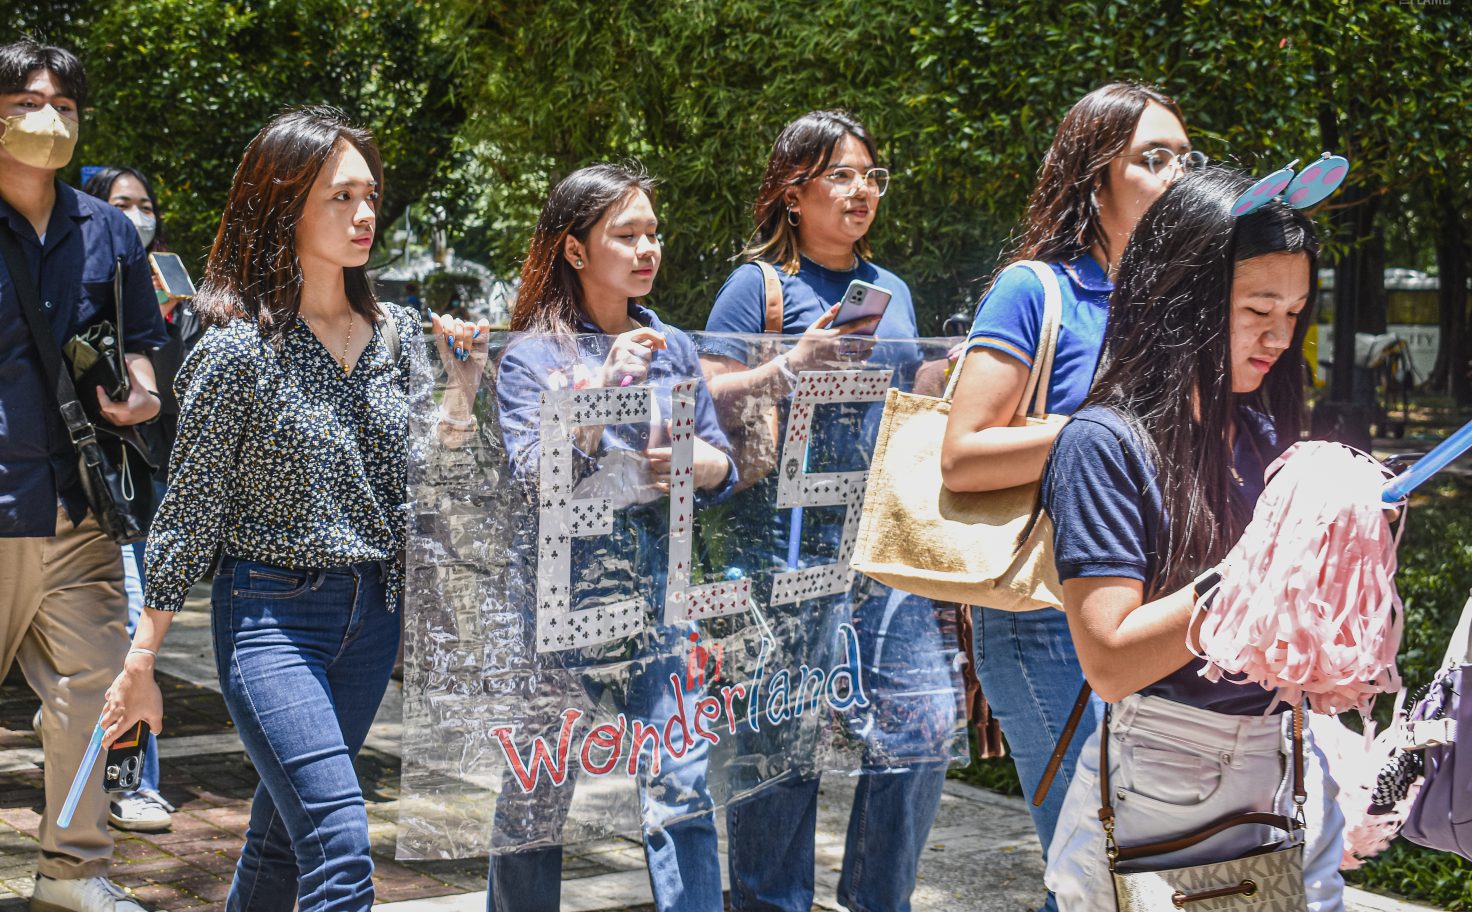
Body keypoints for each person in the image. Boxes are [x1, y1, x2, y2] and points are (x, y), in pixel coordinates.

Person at [97, 106, 485, 912]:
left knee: (280, 847)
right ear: (285, 206)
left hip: (372, 620)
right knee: (342, 854)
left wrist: (460, 395)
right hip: (272, 619)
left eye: (370, 194)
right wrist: (141, 663)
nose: (366, 213)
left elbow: (424, 485)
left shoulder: (402, 334)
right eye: (340, 196)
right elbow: (190, 511)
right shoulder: (237, 349)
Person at [1040, 166, 1346, 910]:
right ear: (1187, 300)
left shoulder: (1256, 430)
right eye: (1256, 309)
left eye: (1296, 311)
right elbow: (1110, 661)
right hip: (1161, 785)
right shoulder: (1103, 445)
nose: (1281, 336)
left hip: (1281, 762)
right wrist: (1259, 562)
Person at [939, 82, 1199, 912]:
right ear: (1096, 182)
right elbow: (964, 454)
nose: (1175, 175)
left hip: (1143, 614)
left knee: (1126, 872)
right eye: (1151, 159)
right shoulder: (1036, 290)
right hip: (1042, 618)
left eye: (1185, 160)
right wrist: (1103, 431)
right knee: (1104, 871)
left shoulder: (1175, 302)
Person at [701, 110, 956, 912]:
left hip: (880, 544)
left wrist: (943, 379)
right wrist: (790, 362)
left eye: (871, 177)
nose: (862, 191)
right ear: (792, 190)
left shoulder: (893, 292)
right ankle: (770, 902)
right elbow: (705, 398)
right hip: (781, 548)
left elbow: (903, 410)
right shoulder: (758, 288)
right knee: (780, 746)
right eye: (841, 176)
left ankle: (876, 899)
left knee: (925, 726)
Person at [0, 41, 164, 912]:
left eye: (68, 105)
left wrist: (139, 393)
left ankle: (74, 870)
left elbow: (141, 338)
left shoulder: (105, 228)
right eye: (33, 102)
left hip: (81, 510)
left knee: (96, 694)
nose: (53, 119)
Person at [486, 163, 735, 912]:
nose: (645, 249)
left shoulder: (674, 345)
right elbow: (536, 478)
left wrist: (688, 460)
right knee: (538, 786)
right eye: (625, 235)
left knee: (682, 783)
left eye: (652, 233)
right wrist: (599, 394)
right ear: (574, 249)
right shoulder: (532, 356)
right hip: (562, 599)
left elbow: (722, 465)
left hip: (661, 589)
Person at [80, 165, 194, 833]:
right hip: (95, 486)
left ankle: (87, 739)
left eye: (145, 205)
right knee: (126, 639)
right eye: (121, 204)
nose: (136, 215)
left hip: (159, 488)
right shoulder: (79, 285)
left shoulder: (183, 297)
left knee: (140, 635)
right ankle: (128, 782)